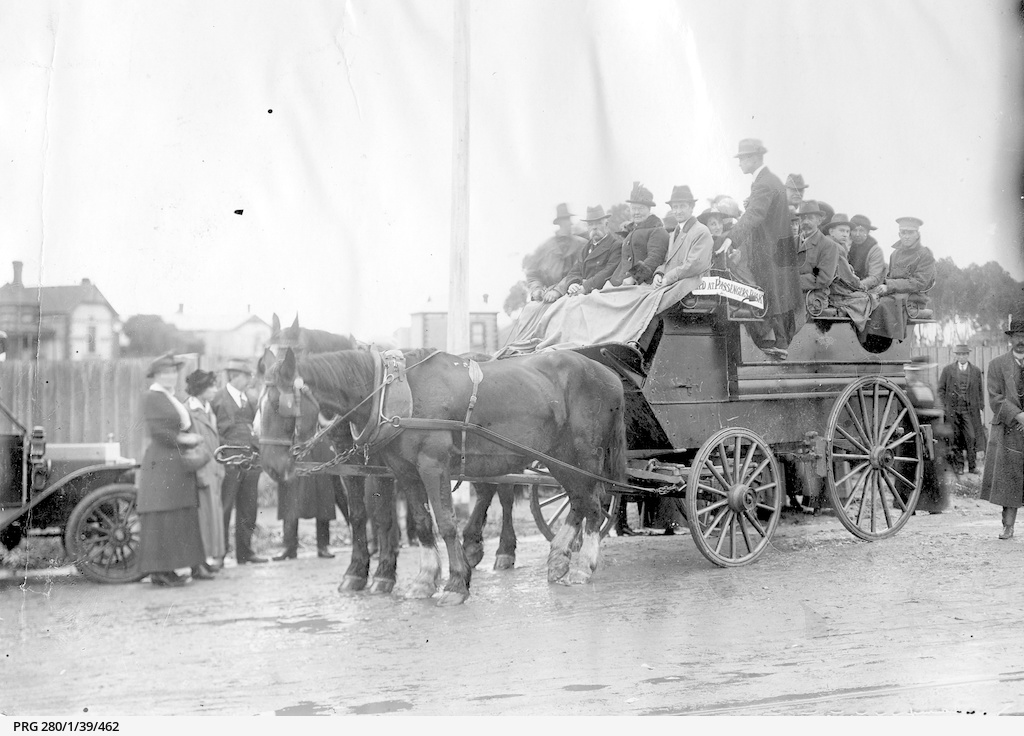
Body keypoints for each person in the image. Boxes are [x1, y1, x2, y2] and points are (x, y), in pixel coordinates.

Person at [718, 138, 802, 360]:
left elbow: (755, 214)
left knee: (772, 289)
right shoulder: (770, 181)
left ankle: (779, 342)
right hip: (779, 245)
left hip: (770, 248)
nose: (740, 163)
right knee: (779, 290)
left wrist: (731, 239)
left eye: (743, 158)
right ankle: (778, 340)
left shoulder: (764, 182)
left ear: (755, 158)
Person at [137, 353, 210, 587]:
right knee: (163, 517)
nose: (171, 376)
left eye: (173, 372)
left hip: (174, 462)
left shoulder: (170, 396)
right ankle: (160, 572)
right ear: (156, 375)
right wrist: (185, 439)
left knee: (181, 515)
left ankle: (190, 564)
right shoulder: (152, 396)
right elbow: (158, 431)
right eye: (165, 372)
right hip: (162, 462)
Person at [212, 358, 267, 564]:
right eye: (246, 377)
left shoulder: (251, 399)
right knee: (225, 508)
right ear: (234, 376)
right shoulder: (217, 399)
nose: (250, 381)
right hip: (228, 461)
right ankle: (220, 553)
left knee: (249, 507)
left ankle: (245, 552)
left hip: (251, 460)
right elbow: (212, 430)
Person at [980, 316, 1024, 539]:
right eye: (1017, 336)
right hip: (1009, 428)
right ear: (1011, 339)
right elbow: (994, 398)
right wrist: (1018, 415)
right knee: (1010, 478)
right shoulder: (997, 365)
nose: (1021, 340)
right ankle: (1008, 525)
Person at [865, 217, 936, 342]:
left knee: (881, 305)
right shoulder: (895, 254)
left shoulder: (925, 255)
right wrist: (880, 287)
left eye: (910, 232)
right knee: (866, 301)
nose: (906, 236)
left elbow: (919, 283)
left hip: (914, 298)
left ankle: (881, 343)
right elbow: (890, 277)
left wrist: (889, 286)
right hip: (894, 294)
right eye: (903, 232)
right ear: (899, 234)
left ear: (917, 234)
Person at [184, 369, 226, 572]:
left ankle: (208, 558)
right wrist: (200, 471)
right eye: (212, 386)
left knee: (212, 518)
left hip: (214, 469)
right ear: (200, 389)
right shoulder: (188, 411)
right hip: (200, 470)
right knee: (201, 519)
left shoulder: (208, 409)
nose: (215, 390)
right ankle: (199, 561)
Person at [274, 453, 338, 560]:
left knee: (322, 495)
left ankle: (323, 546)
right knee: (290, 498)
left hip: (318, 449)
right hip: (294, 450)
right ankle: (289, 547)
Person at [605, 182, 669, 287]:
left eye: (640, 208)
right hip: (621, 283)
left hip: (642, 284)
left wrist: (634, 277)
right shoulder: (632, 231)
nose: (636, 212)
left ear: (649, 210)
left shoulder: (657, 231)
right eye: (634, 208)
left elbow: (655, 258)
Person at [522, 203, 587, 303]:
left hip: (574, 293)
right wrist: (537, 289)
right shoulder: (544, 247)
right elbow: (532, 273)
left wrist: (558, 291)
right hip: (548, 296)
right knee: (529, 314)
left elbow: (578, 272)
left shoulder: (582, 244)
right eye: (565, 220)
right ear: (559, 223)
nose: (570, 224)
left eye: (569, 220)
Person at [653, 185, 714, 288]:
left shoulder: (701, 232)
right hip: (672, 284)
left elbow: (694, 265)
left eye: (682, 206)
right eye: (675, 207)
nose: (678, 211)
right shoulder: (674, 234)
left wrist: (668, 278)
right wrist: (659, 274)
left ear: (691, 207)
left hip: (691, 288)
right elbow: (667, 261)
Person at [938, 344, 985, 475]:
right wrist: (944, 407)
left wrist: (981, 407)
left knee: (971, 437)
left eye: (964, 354)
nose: (962, 357)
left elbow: (980, 391)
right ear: (956, 355)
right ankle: (959, 467)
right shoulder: (948, 370)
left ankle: (972, 466)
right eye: (959, 354)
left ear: (968, 355)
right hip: (952, 411)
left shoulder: (975, 371)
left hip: (969, 410)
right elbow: (940, 390)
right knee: (955, 438)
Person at [821, 214, 874, 330]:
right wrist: (861, 286)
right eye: (841, 230)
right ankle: (859, 333)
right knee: (868, 298)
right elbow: (848, 278)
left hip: (829, 288)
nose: (845, 234)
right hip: (835, 290)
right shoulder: (836, 248)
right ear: (831, 231)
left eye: (847, 231)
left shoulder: (827, 244)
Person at [563, 205, 623, 297]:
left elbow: (608, 272)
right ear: (587, 227)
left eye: (598, 223)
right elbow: (575, 270)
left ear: (606, 225)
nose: (594, 227)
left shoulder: (616, 245)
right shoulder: (586, 248)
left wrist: (585, 287)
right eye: (591, 224)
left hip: (602, 293)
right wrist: (573, 284)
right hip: (583, 292)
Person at [796, 201, 839, 293]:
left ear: (819, 221)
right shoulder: (791, 242)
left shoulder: (829, 246)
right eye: (802, 218)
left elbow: (823, 279)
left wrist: (790, 281)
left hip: (812, 298)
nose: (806, 222)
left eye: (810, 218)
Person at [848, 214, 887, 290]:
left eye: (861, 230)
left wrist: (857, 286)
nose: (857, 234)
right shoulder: (846, 245)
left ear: (868, 232)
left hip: (867, 288)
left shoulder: (875, 250)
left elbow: (874, 278)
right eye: (854, 230)